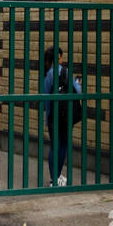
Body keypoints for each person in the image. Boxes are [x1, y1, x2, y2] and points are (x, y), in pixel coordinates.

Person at [40, 46, 81, 187]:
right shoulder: (65, 72)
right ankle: (57, 177)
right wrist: (77, 83)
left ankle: (54, 179)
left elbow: (45, 98)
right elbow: (77, 91)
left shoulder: (46, 74)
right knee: (63, 144)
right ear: (59, 57)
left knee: (54, 145)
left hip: (52, 116)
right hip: (65, 116)